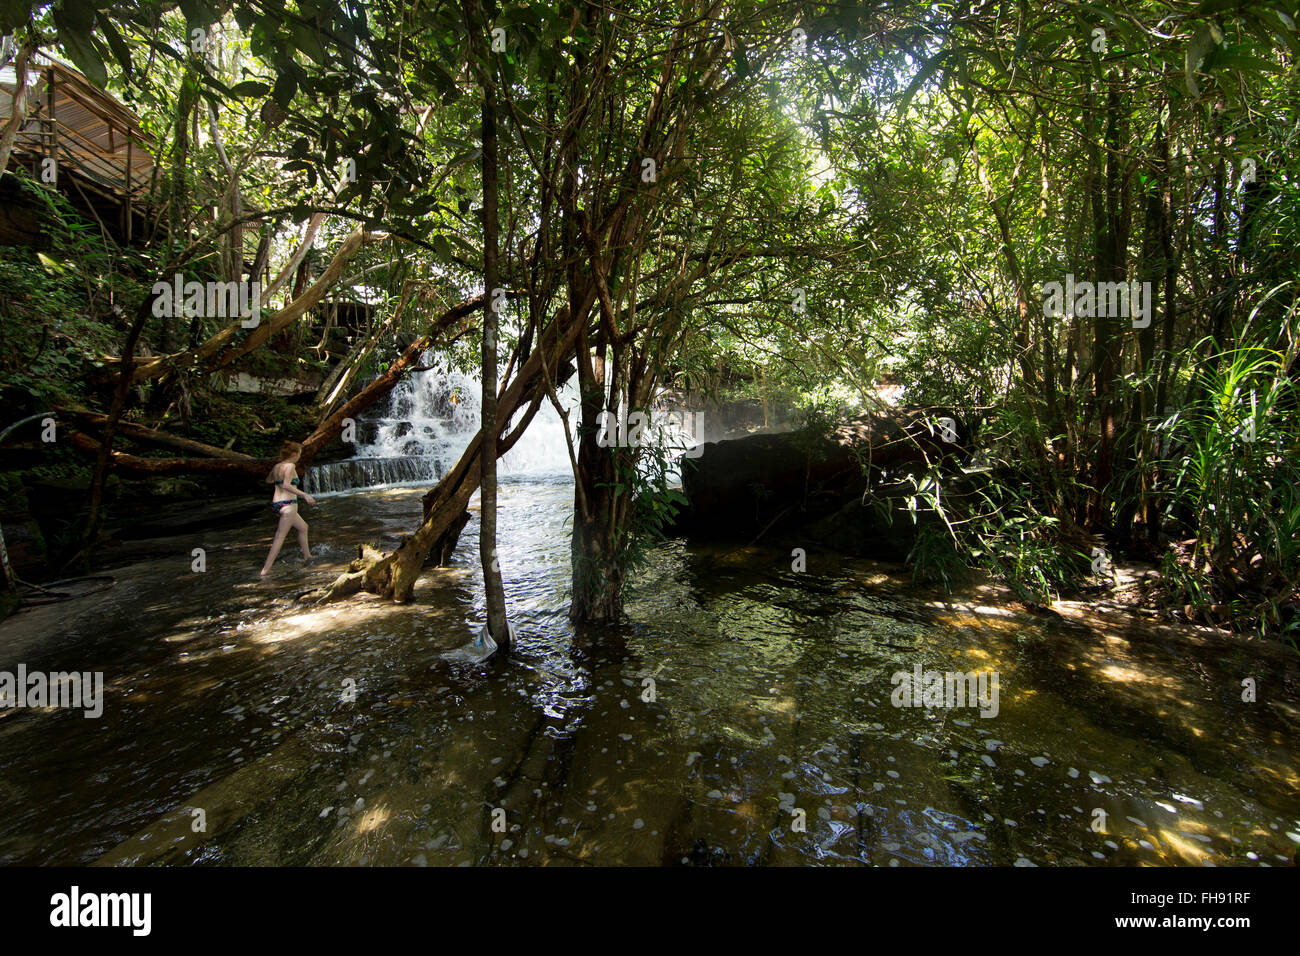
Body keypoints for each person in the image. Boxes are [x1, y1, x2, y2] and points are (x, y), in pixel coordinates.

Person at [260, 440, 317, 577]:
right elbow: (286, 485)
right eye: (299, 454)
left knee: (303, 527)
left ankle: (307, 557)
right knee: (280, 537)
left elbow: (269, 480)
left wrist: (278, 480)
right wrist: (304, 494)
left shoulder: (277, 466)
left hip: (277, 503)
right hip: (289, 503)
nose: (299, 457)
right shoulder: (290, 466)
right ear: (294, 454)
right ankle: (265, 570)